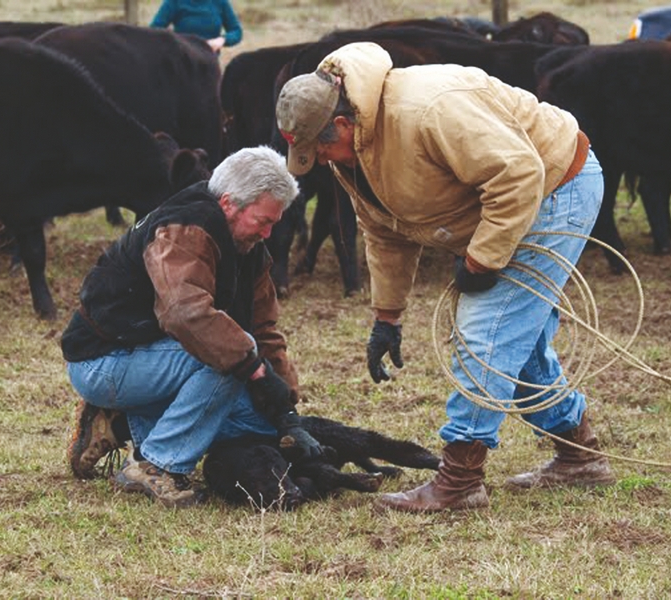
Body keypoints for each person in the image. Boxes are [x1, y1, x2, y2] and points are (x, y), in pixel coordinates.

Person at [275, 42, 615, 513]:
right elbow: (383, 230)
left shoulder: (428, 109)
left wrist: (481, 260)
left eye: (324, 148)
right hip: (509, 198)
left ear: (342, 124)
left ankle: (459, 482)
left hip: (555, 186)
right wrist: (387, 317)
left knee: (486, 334)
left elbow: (517, 174)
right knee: (516, 339)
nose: (325, 160)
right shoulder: (354, 153)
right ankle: (579, 455)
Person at [61, 146, 322, 508]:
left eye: (274, 224)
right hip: (102, 362)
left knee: (256, 422)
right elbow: (185, 315)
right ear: (230, 204)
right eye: (263, 221)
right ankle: (154, 464)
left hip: (151, 358)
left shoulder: (248, 248)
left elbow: (264, 329)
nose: (268, 233)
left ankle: (117, 423)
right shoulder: (184, 230)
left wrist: (285, 409)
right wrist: (255, 370)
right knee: (232, 357)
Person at [150, 0, 243, 54]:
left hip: (210, 65)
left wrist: (222, 40)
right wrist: (173, 41)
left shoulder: (220, 2)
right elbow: (154, 30)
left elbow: (236, 31)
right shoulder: (174, 2)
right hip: (181, 63)